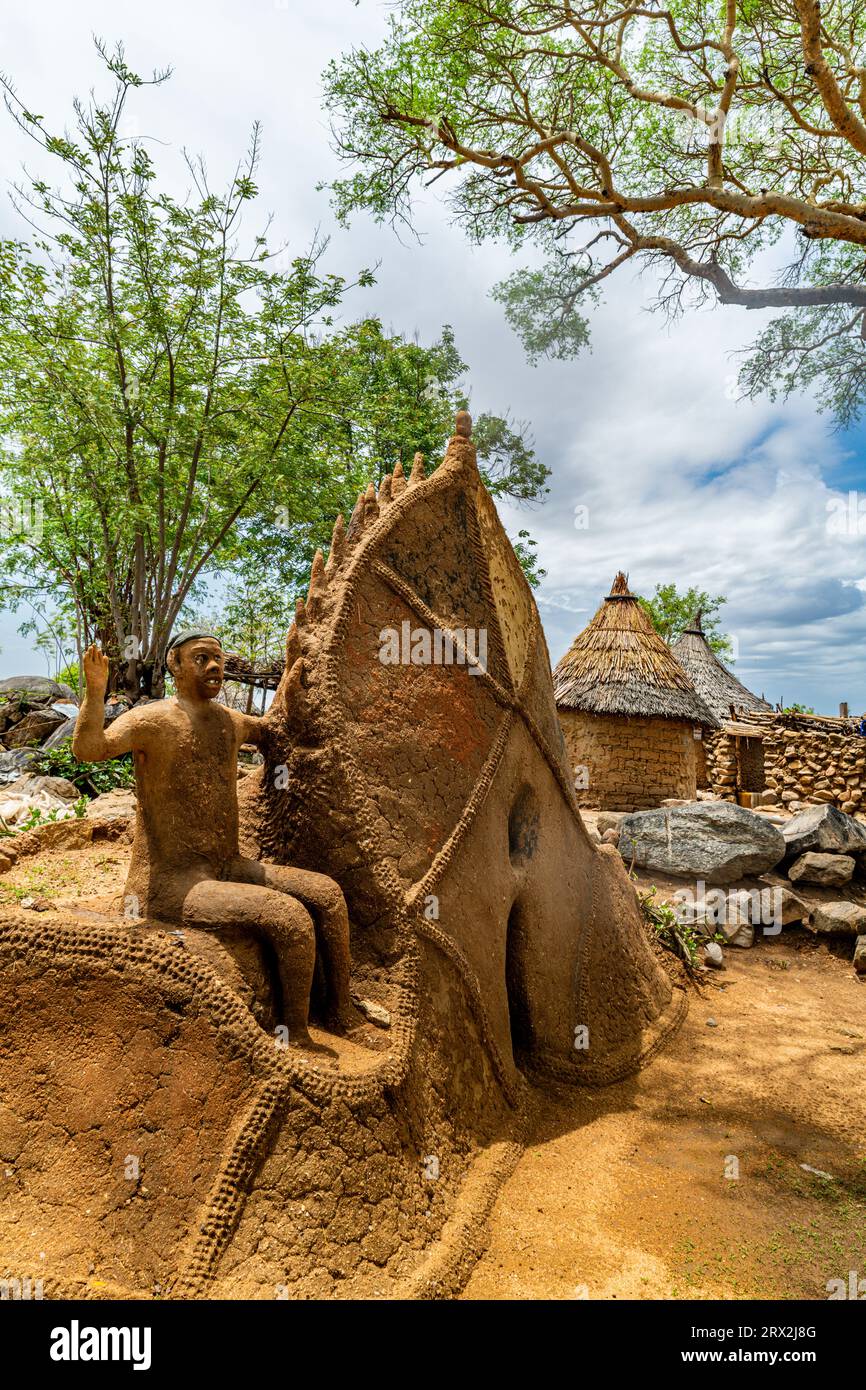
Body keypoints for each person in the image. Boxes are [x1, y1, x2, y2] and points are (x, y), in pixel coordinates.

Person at [72, 630, 369, 1049]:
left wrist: (297, 683)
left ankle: (341, 1013)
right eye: (201, 658)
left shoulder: (229, 722)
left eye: (219, 659)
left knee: (327, 893)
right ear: (175, 665)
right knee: (290, 918)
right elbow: (89, 748)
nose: (214, 667)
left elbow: (273, 732)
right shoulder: (152, 721)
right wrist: (96, 692)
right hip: (172, 883)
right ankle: (296, 1036)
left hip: (227, 865)